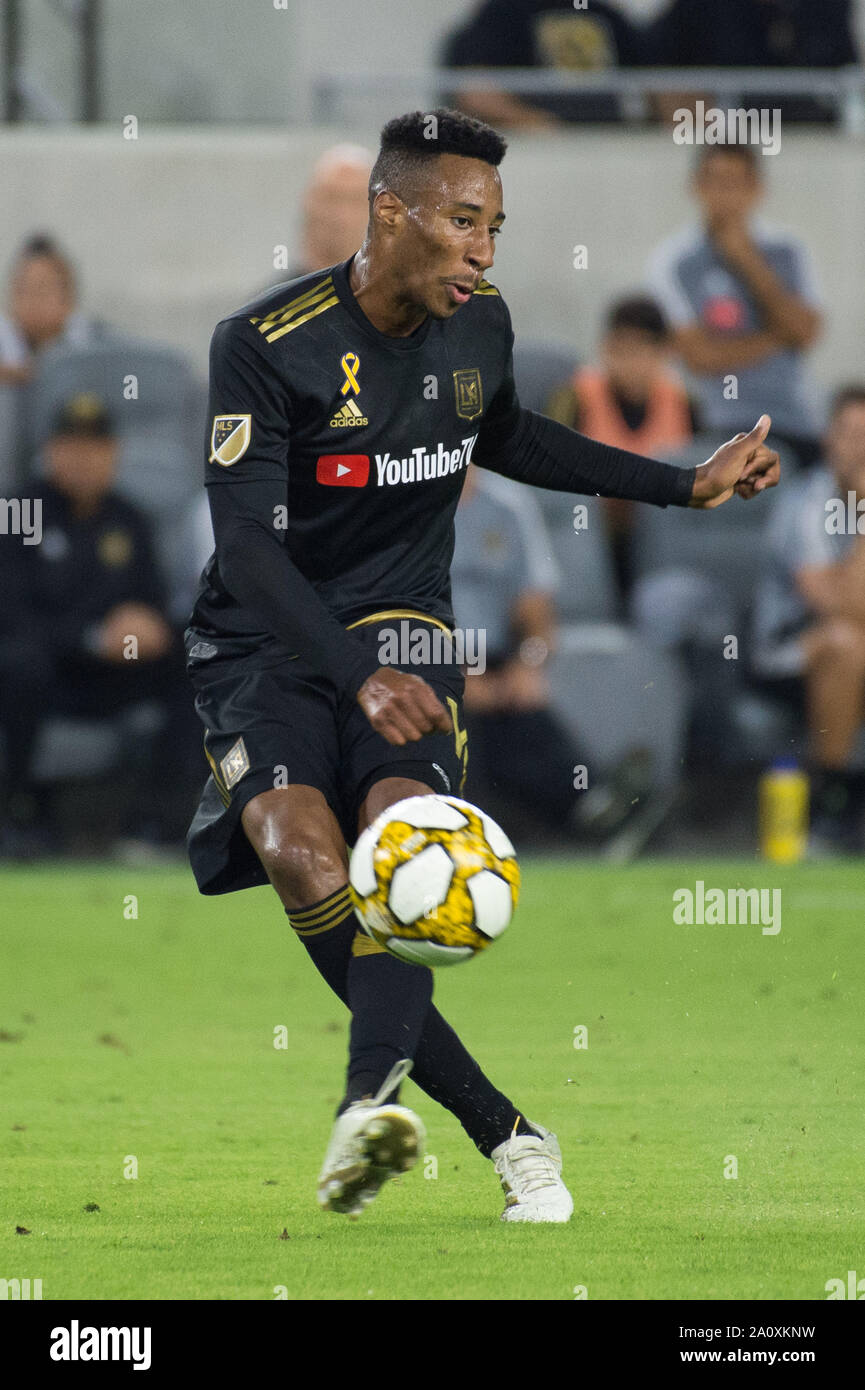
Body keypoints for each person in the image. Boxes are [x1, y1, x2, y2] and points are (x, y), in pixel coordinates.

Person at [185, 108, 779, 1224]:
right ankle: (508, 1131)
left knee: (400, 838)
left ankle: (366, 1104)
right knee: (298, 853)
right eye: (464, 223)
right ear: (388, 211)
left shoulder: (482, 325)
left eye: (496, 228)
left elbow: (506, 437)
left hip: (409, 628)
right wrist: (348, 671)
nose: (484, 252)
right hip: (266, 641)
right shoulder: (266, 343)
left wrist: (679, 481)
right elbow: (249, 550)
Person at [0, 394, 179, 854]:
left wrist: (148, 626)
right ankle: (18, 813)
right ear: (51, 452)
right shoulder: (21, 510)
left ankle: (156, 822)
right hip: (48, 674)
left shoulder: (129, 518)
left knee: (193, 655)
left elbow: (153, 601)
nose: (85, 460)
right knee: (21, 663)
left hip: (114, 674)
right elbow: (12, 613)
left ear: (114, 455)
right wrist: (94, 637)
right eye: (72, 448)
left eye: (97, 449)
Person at [646, 143, 824, 469]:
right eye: (715, 181)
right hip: (717, 424)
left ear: (756, 188)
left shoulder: (789, 250)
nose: (725, 195)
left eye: (736, 183)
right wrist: (776, 337)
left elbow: (806, 333)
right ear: (696, 185)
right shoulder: (672, 261)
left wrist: (746, 260)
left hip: (795, 420)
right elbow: (699, 357)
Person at [751, 385, 865, 852]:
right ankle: (834, 802)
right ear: (828, 439)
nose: (859, 447)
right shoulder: (805, 503)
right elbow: (832, 602)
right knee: (844, 641)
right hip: (788, 650)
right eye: (850, 433)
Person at [547, 294, 695, 600]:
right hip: (592, 536)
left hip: (659, 540)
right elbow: (550, 474)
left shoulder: (687, 406)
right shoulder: (574, 399)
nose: (628, 363)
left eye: (640, 350)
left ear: (664, 353)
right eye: (618, 349)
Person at [440, 0, 651, 128]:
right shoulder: (503, 13)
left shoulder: (607, 15)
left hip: (609, 146)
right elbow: (475, 94)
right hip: (538, 153)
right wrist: (535, 124)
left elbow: (657, 86)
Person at [0, 234, 101, 387]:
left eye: (41, 289)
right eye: (22, 289)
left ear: (69, 299)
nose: (31, 300)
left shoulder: (96, 346)